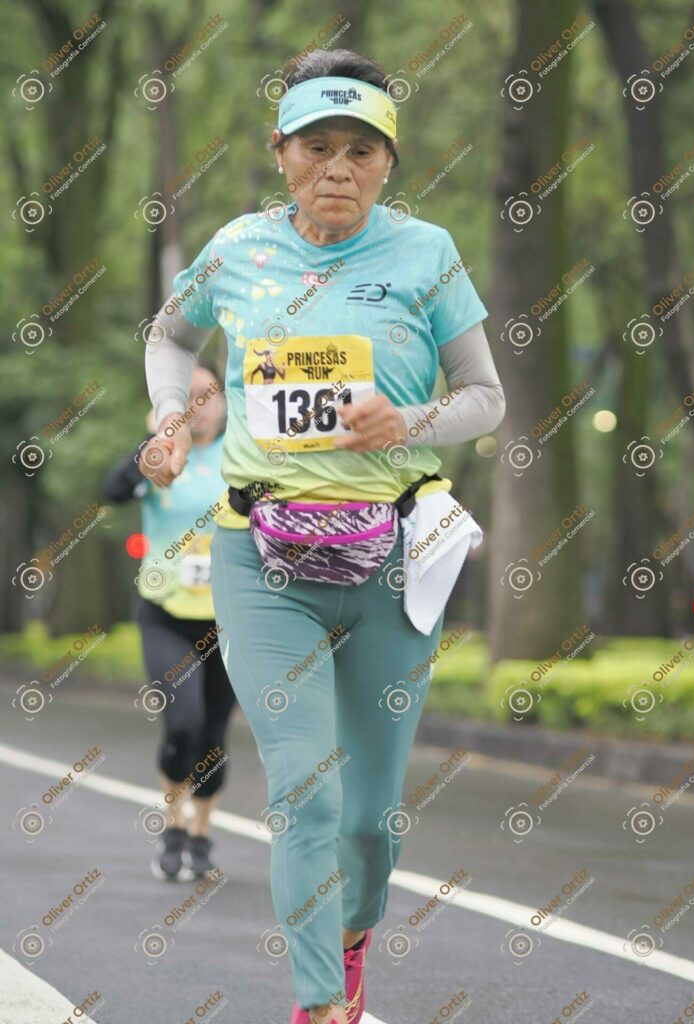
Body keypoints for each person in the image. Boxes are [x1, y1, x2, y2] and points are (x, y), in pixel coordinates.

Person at [139, 49, 505, 1024]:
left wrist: (409, 420)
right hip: (261, 559)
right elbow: (169, 334)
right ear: (281, 153)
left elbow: (486, 396)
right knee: (306, 790)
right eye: (316, 147)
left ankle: (350, 939)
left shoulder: (426, 253)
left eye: (360, 150)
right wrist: (171, 419)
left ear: (388, 162)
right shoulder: (238, 250)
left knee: (370, 822)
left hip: (392, 560)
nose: (337, 168)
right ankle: (319, 1005)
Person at [104, 362, 237, 882]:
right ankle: (173, 823)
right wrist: (150, 445)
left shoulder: (241, 454)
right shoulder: (160, 454)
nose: (199, 406)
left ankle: (201, 831)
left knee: (213, 733)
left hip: (229, 619)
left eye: (209, 394)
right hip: (166, 614)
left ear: (224, 402)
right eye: (189, 396)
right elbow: (114, 489)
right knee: (183, 722)